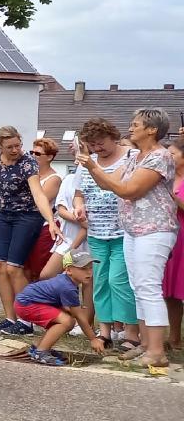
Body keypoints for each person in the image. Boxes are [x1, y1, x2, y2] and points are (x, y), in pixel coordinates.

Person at [75, 108, 178, 374]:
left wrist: (94, 166)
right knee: (137, 286)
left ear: (151, 129)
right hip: (133, 231)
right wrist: (90, 165)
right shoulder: (137, 157)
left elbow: (129, 190)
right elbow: (109, 184)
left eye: (135, 125)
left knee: (148, 287)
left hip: (154, 229)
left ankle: (157, 351)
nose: (130, 129)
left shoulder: (159, 156)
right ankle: (145, 343)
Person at [71, 118, 140, 350]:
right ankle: (105, 331)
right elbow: (79, 193)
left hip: (123, 230)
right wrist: (79, 205)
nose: (97, 148)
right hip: (96, 230)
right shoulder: (85, 163)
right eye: (92, 145)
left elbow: (120, 185)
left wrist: (93, 165)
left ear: (113, 137)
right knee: (100, 282)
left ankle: (131, 332)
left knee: (119, 280)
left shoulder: (131, 156)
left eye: (101, 143)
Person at [0, 125, 62, 336]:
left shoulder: (28, 164)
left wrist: (51, 221)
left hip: (27, 216)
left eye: (18, 145)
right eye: (9, 147)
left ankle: (26, 320)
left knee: (14, 268)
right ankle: (10, 318)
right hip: (5, 214)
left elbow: (39, 195)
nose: (15, 150)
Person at [14, 251, 104, 366]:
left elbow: (70, 309)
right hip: (27, 304)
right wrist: (93, 339)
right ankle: (41, 352)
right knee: (67, 321)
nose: (89, 272)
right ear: (69, 270)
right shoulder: (67, 287)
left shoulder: (67, 281)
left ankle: (37, 347)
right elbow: (79, 316)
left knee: (64, 318)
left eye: (90, 268)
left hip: (26, 302)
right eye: (83, 269)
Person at [40, 172, 87, 280]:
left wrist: (72, 248)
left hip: (88, 241)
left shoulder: (94, 179)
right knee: (46, 275)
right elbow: (61, 209)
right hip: (68, 237)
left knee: (87, 281)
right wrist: (80, 220)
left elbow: (88, 226)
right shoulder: (69, 179)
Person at [165, 136, 184, 351]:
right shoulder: (166, 177)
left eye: (173, 154)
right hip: (169, 237)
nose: (168, 157)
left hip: (183, 236)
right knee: (171, 293)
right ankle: (175, 337)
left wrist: (174, 198)